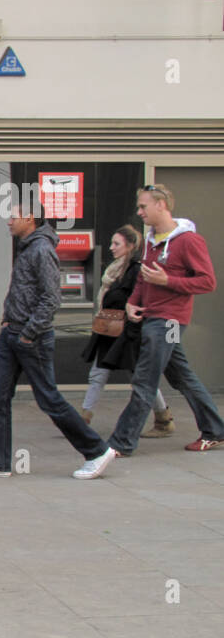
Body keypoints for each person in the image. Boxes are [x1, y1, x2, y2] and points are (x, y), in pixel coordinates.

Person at [0, 201, 116, 481]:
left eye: (14, 217)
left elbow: (51, 298)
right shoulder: (28, 247)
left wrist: (28, 333)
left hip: (30, 338)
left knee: (49, 400)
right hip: (12, 334)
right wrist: (10, 325)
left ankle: (96, 451)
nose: (9, 221)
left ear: (30, 219)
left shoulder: (42, 249)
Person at [108, 185, 223, 456]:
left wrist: (167, 280)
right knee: (182, 376)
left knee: (145, 380)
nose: (139, 212)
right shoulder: (151, 238)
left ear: (161, 205)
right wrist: (133, 300)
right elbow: (142, 276)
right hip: (152, 317)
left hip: (169, 322)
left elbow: (208, 282)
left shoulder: (189, 241)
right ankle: (215, 430)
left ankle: (121, 443)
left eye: (143, 206)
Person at [79, 224, 171, 431]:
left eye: (116, 244)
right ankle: (84, 416)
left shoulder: (135, 269)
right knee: (99, 374)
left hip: (126, 331)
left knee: (139, 375)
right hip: (109, 329)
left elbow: (135, 300)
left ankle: (163, 417)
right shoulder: (116, 269)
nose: (111, 247)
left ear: (130, 246)